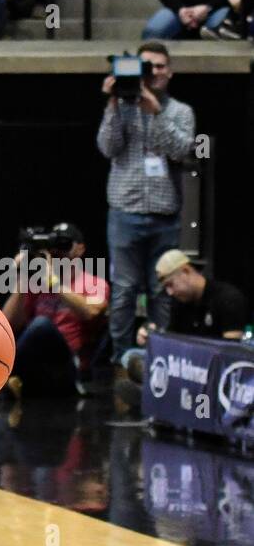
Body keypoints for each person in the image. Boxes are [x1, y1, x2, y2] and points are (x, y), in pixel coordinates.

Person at [96, 40, 195, 365]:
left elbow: (183, 150)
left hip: (165, 213)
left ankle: (160, 358)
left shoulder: (181, 111)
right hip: (125, 211)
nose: (153, 72)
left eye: (160, 66)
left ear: (170, 72)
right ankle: (122, 360)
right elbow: (108, 148)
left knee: (161, 290)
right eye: (147, 66)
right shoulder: (121, 107)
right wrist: (112, 106)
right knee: (124, 290)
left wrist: (157, 113)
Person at [118, 250, 249, 398]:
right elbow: (173, 342)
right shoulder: (180, 302)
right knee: (130, 355)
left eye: (170, 284)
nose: (170, 292)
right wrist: (154, 336)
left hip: (211, 368)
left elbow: (231, 353)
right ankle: (157, 392)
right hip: (184, 366)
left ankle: (151, 393)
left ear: (186, 271)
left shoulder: (227, 298)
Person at [1, 223, 108, 399]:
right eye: (55, 246)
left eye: (65, 244)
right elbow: (7, 324)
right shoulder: (37, 284)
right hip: (34, 364)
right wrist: (21, 276)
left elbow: (91, 312)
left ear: (80, 249)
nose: (59, 252)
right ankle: (4, 377)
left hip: (68, 365)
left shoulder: (95, 283)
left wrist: (54, 282)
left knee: (41, 324)